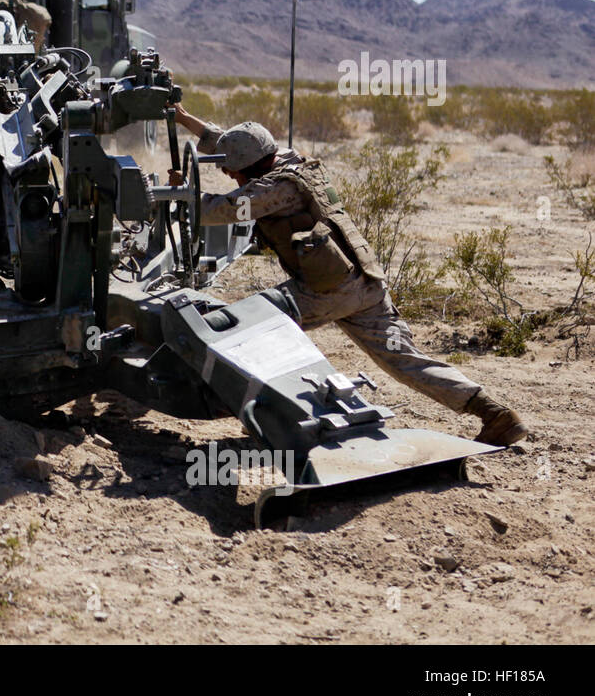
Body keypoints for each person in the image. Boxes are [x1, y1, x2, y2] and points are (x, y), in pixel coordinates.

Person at [167, 105, 528, 447]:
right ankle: (494, 414)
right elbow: (231, 146)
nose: (229, 175)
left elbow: (222, 210)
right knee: (405, 360)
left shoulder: (273, 191)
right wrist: (185, 120)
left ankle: (246, 408)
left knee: (243, 331)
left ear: (250, 167)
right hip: (364, 281)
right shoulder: (292, 160)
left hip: (324, 292)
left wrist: (184, 192)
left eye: (232, 171)